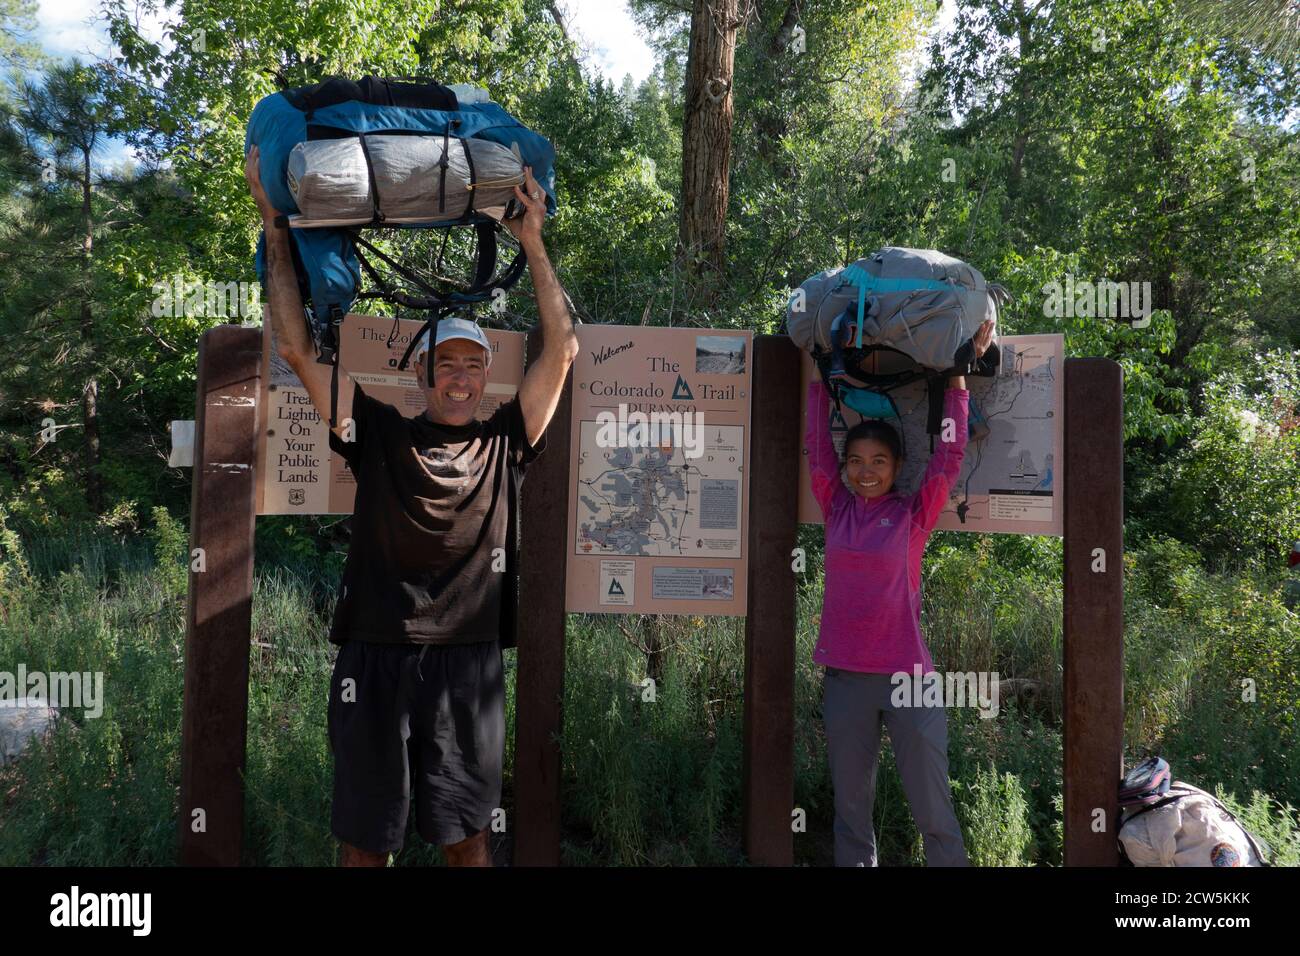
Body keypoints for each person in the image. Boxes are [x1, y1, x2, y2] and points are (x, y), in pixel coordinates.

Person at [245, 146, 579, 867]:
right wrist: (276, 234)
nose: (460, 377)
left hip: (467, 665)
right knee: (366, 842)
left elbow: (566, 348)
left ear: (487, 377)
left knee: (467, 838)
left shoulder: (507, 438)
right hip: (376, 653)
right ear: (422, 374)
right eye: (446, 364)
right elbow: (300, 352)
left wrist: (534, 243)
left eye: (473, 364)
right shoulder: (377, 433)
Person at [805, 317, 995, 867]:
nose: (866, 472)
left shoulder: (913, 515)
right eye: (857, 462)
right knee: (851, 811)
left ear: (896, 468)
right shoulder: (835, 507)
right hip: (845, 679)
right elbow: (818, 446)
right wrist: (818, 370)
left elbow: (950, 457)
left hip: (910, 680)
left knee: (933, 807)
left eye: (878, 462)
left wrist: (957, 375)